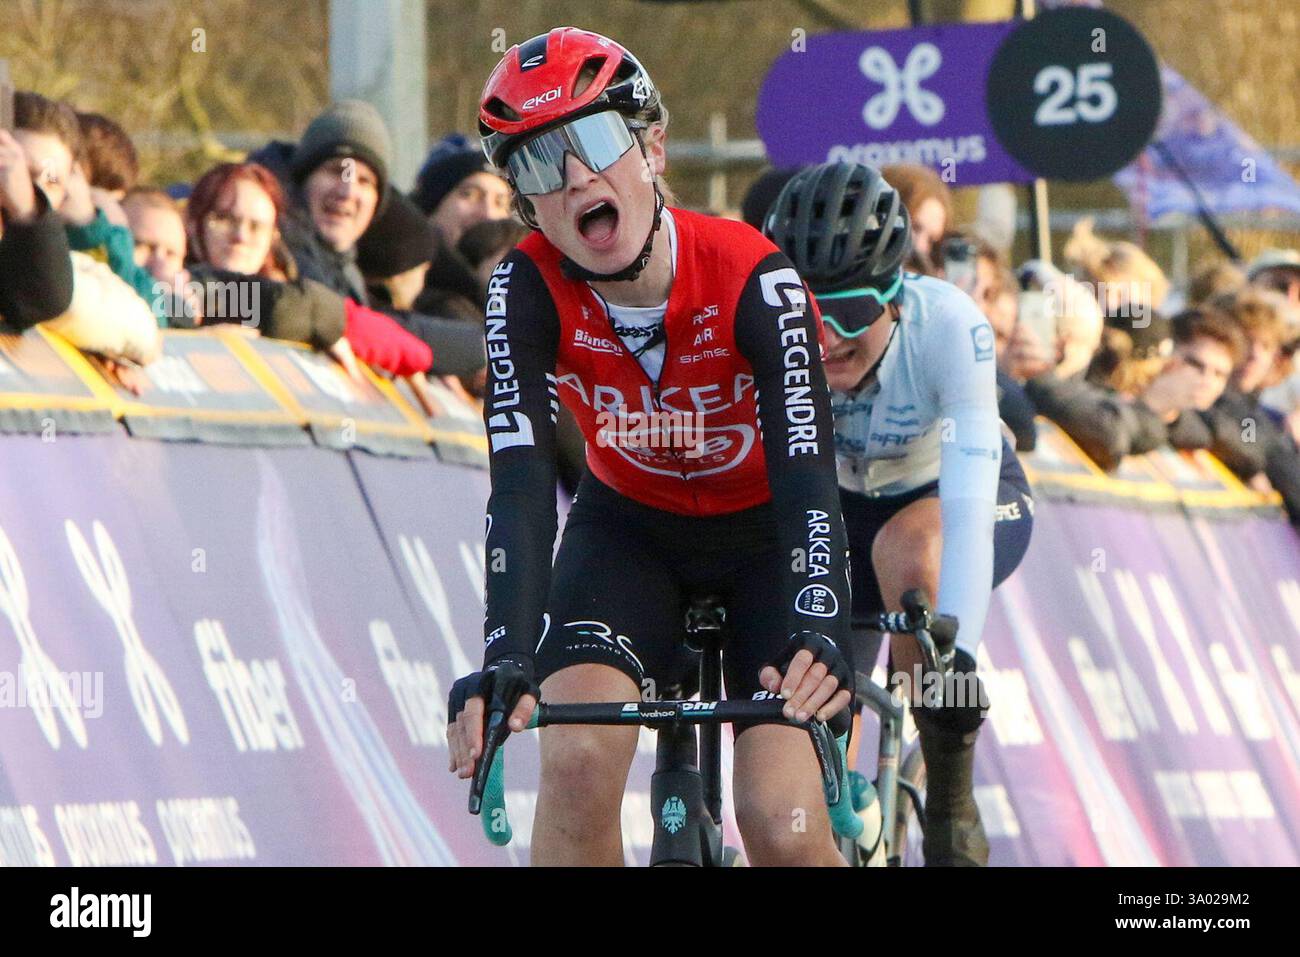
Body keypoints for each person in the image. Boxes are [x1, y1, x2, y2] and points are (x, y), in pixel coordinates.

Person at [446, 28, 854, 867]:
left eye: (595, 141)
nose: (572, 179)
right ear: (524, 206)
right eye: (534, 164)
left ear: (653, 148)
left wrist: (820, 617)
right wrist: (505, 652)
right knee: (578, 765)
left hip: (767, 536)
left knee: (779, 818)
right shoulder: (522, 288)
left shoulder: (753, 274)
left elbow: (809, 472)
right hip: (627, 534)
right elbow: (520, 490)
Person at [764, 162, 1035, 866]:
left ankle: (947, 786)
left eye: (850, 312)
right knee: (817, 690)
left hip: (947, 496)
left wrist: (955, 664)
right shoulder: (761, 331)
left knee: (909, 558)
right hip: (840, 500)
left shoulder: (948, 324)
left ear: (895, 297)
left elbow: (969, 514)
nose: (824, 339)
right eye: (805, 313)